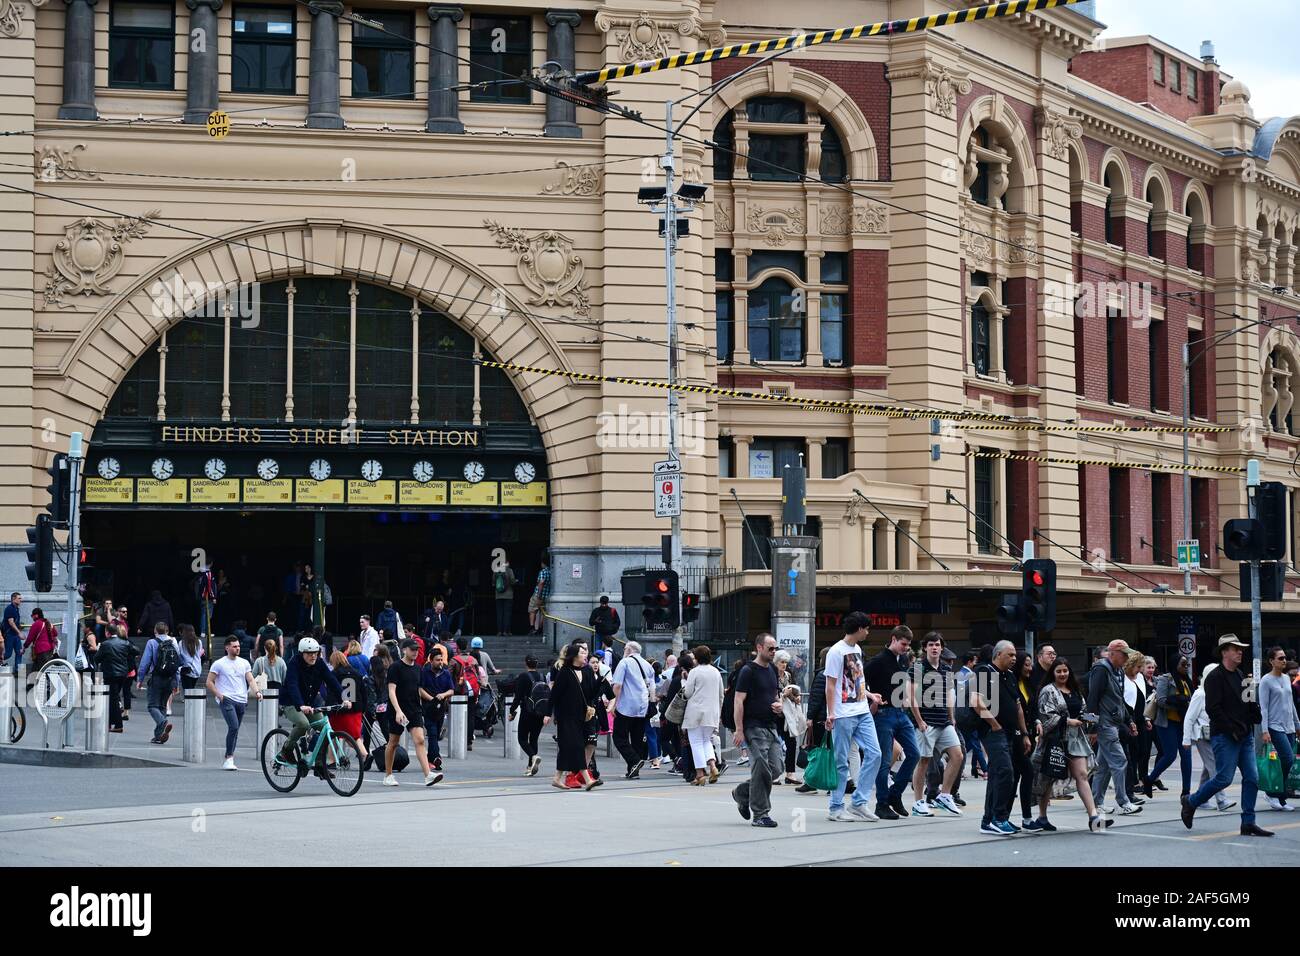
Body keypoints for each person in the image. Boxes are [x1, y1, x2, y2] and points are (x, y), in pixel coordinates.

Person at [1182, 635, 1272, 837]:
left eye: (1241, 649)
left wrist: (1254, 709)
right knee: (1223, 778)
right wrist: (1231, 728)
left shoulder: (1241, 675)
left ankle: (1248, 822)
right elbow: (1213, 709)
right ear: (1224, 652)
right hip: (1225, 735)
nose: (1240, 652)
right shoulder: (1215, 677)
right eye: (1235, 649)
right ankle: (1191, 801)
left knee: (1252, 778)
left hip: (1244, 735)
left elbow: (1248, 703)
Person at [1029, 656, 1109, 832]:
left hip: (1075, 739)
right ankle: (1042, 817)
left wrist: (1092, 720)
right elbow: (1046, 716)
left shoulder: (1075, 690)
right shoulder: (1047, 690)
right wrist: (1068, 721)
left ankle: (1094, 817)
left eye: (1065, 671)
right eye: (1059, 671)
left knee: (1082, 774)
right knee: (1048, 777)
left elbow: (1083, 711)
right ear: (1053, 673)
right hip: (1055, 740)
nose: (1062, 674)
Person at [824, 611, 883, 823]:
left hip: (862, 710)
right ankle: (836, 807)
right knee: (841, 762)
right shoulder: (835, 652)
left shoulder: (857, 649)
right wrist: (831, 713)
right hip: (842, 714)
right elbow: (830, 685)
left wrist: (868, 695)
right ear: (859, 629)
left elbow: (856, 680)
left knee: (875, 754)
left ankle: (858, 802)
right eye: (866, 628)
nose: (868, 632)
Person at [865, 625, 920, 820]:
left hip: (899, 712)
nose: (906, 648)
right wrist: (871, 699)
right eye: (903, 644)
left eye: (908, 645)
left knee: (914, 754)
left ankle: (895, 794)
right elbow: (859, 681)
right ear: (894, 639)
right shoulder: (878, 661)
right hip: (884, 714)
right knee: (884, 761)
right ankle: (882, 803)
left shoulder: (903, 660)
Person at [274, 636, 349, 775]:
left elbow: (332, 681)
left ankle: (320, 766)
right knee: (303, 724)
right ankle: (286, 750)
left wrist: (344, 698)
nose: (313, 656)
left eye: (316, 652)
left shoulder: (320, 663)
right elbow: (292, 685)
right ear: (302, 653)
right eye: (309, 653)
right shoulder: (294, 663)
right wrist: (300, 705)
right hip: (291, 702)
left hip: (311, 702)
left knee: (326, 730)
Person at [731, 633, 784, 829]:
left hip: (771, 727)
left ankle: (742, 793)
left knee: (776, 768)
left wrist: (778, 705)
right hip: (753, 727)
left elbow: (775, 694)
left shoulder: (771, 668)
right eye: (771, 648)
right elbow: (738, 700)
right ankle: (761, 814)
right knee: (761, 768)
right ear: (759, 648)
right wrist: (739, 729)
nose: (774, 652)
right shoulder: (748, 670)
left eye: (775, 648)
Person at [978, 640, 1030, 836]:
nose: (1014, 659)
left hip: (1010, 732)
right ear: (998, 655)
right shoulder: (984, 671)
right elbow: (976, 702)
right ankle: (998, 818)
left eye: (1015, 655)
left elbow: (1018, 707)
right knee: (1005, 772)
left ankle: (989, 820)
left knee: (998, 775)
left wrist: (1024, 733)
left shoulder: (1009, 676)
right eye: (1010, 655)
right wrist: (994, 724)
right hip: (993, 732)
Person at [910, 631, 963, 816]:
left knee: (958, 756)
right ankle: (918, 802)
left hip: (944, 721)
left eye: (937, 644)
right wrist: (919, 721)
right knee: (924, 761)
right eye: (931, 644)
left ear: (942, 648)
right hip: (926, 722)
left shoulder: (947, 669)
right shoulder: (918, 668)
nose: (934, 647)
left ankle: (945, 796)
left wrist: (952, 717)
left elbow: (949, 695)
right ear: (925, 648)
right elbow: (912, 697)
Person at [1087, 639, 1142, 815]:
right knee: (1119, 761)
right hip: (1105, 725)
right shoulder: (1102, 670)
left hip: (1113, 723)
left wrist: (1129, 721)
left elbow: (1118, 699)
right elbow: (1092, 698)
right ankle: (1124, 802)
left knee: (1103, 766)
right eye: (1124, 654)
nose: (1127, 658)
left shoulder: (1117, 670)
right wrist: (1092, 728)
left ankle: (1097, 802)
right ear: (1112, 653)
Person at [381, 638, 443, 788]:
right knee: (393, 742)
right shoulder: (395, 667)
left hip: (414, 709)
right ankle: (388, 775)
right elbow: (391, 690)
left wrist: (432, 700)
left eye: (417, 650)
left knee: (420, 739)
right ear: (404, 650)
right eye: (412, 649)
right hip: (398, 709)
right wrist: (397, 711)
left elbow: (419, 689)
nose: (415, 652)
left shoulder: (418, 668)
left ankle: (428, 775)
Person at [1180, 662, 1236, 814]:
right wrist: (1186, 739)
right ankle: (1222, 800)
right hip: (1201, 736)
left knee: (1208, 768)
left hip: (1214, 735)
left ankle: (1202, 799)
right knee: (1214, 768)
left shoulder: (1216, 692)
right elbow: (1189, 718)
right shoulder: (1200, 694)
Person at [547, 642, 601, 790]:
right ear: (575, 656)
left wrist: (599, 683)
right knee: (577, 746)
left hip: (580, 716)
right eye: (582, 653)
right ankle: (587, 779)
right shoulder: (565, 672)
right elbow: (554, 695)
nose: (586, 655)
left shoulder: (585, 671)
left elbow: (589, 694)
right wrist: (547, 713)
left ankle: (557, 778)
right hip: (566, 716)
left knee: (566, 748)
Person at [206, 636, 262, 770]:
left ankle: (230, 758)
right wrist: (220, 696)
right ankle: (228, 758)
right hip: (227, 699)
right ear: (227, 648)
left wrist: (257, 692)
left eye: (238, 646)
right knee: (234, 727)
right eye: (234, 646)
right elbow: (209, 681)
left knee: (235, 730)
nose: (237, 648)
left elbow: (250, 679)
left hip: (242, 700)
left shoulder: (244, 663)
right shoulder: (219, 663)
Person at [1260, 645, 1299, 811]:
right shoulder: (1266, 680)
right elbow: (1263, 707)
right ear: (1271, 661)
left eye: (1285, 658)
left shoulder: (1285, 679)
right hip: (1274, 726)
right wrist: (1264, 730)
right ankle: (1273, 794)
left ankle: (1279, 797)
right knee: (1288, 759)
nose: (1284, 660)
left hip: (1289, 726)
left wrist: (1297, 724)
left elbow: (1291, 704)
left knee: (1287, 763)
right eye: (1280, 658)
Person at [1150, 657, 1194, 798]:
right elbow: (1161, 701)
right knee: (1170, 756)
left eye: (1187, 664)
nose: (1186, 666)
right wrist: (1176, 701)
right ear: (1175, 664)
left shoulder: (1186, 680)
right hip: (1167, 723)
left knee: (1187, 756)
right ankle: (1150, 780)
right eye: (1183, 664)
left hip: (1183, 723)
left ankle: (1185, 792)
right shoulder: (1165, 679)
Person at [611, 640, 654, 778]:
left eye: (625, 649)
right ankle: (633, 770)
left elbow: (617, 685)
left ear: (629, 650)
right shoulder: (648, 665)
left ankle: (635, 760)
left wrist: (613, 704)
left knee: (619, 737)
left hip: (626, 704)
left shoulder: (624, 662)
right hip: (643, 706)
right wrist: (651, 703)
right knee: (637, 738)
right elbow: (652, 687)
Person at [682, 644, 724, 785]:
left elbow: (687, 693)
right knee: (707, 741)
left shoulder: (694, 672)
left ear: (697, 658)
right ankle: (713, 766)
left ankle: (700, 774)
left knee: (696, 742)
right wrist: (719, 712)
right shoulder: (716, 672)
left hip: (696, 712)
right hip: (712, 712)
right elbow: (720, 695)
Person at [135, 622, 179, 745]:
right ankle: (159, 736)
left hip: (157, 678)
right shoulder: (174, 643)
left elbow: (145, 663)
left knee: (152, 706)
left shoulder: (152, 643)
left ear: (155, 631)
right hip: (170, 678)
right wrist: (177, 683)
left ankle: (163, 722)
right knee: (162, 706)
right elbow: (177, 664)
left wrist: (140, 679)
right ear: (167, 631)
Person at [1009, 650, 1038, 828]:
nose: (1030, 667)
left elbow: (1031, 709)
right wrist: (1024, 733)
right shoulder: (1011, 682)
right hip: (1017, 736)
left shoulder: (1028, 684)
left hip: (1029, 735)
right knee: (1025, 773)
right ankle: (1022, 818)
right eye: (1027, 664)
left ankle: (1008, 817)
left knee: (1019, 776)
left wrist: (1036, 722)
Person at [326, 649, 367, 764]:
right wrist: (363, 708)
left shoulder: (334, 674)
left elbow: (331, 692)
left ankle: (332, 760)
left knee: (334, 734)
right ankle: (364, 754)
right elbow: (363, 692)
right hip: (356, 709)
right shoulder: (356, 673)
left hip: (340, 710)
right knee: (354, 736)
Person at [1122, 650, 1154, 800]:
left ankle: (1141, 778)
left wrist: (1146, 718)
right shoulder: (1121, 678)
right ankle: (1132, 782)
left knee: (1143, 750)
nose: (1140, 669)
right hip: (1129, 718)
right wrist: (1130, 720)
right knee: (1131, 752)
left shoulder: (1140, 677)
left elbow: (1142, 698)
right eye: (1138, 666)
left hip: (1141, 718)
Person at [510, 655, 548, 776]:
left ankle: (533, 757)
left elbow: (518, 696)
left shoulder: (523, 676)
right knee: (534, 739)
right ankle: (530, 767)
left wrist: (512, 710)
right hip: (540, 712)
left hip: (527, 711)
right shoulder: (542, 676)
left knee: (522, 738)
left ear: (526, 663)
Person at [93, 624, 134, 734]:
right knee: (114, 698)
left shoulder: (105, 644)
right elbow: (136, 650)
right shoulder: (125, 642)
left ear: (107, 632)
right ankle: (111, 722)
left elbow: (97, 658)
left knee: (113, 700)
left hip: (110, 674)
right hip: (123, 674)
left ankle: (118, 724)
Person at [420, 645, 455, 771]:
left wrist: (443, 695)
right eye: (437, 660)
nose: (440, 662)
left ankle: (431, 759)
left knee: (436, 734)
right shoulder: (424, 672)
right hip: (428, 708)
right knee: (433, 733)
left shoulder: (445, 673)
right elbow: (420, 689)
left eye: (441, 660)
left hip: (441, 709)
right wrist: (431, 699)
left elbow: (451, 690)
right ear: (431, 661)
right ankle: (436, 757)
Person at [773, 650, 802, 785]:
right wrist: (785, 694)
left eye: (785, 662)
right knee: (774, 743)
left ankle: (790, 773)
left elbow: (795, 691)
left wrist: (796, 697)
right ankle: (775, 773)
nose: (784, 665)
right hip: (774, 713)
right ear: (776, 662)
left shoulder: (789, 676)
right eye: (781, 662)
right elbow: (771, 693)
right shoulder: (771, 675)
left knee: (792, 742)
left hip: (788, 714)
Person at [451, 643, 482, 751]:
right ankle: (469, 741)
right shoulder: (473, 660)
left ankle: (458, 739)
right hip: (472, 691)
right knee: (471, 716)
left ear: (458, 648)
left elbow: (450, 675)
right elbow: (478, 674)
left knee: (457, 715)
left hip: (459, 691)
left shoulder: (454, 660)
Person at [528, 553, 551, 635]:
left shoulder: (543, 572)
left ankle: (532, 628)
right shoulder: (551, 572)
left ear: (543, 563)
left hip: (539, 595)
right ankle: (540, 629)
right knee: (543, 612)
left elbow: (541, 582)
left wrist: (538, 595)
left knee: (532, 610)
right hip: (546, 595)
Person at [493, 559, 517, 636]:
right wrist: (515, 581)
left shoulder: (496, 570)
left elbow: (493, 582)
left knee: (499, 614)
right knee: (507, 614)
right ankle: (506, 631)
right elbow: (512, 581)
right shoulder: (509, 570)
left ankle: (499, 631)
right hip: (508, 595)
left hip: (498, 596)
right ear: (506, 563)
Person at [3, 592, 22, 676]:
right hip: (10, 634)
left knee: (19, 652)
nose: (21, 600)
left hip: (15, 635)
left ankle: (18, 671)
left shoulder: (16, 608)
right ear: (13, 599)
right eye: (19, 598)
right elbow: (11, 622)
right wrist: (19, 633)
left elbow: (16, 622)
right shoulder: (9, 608)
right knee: (8, 654)